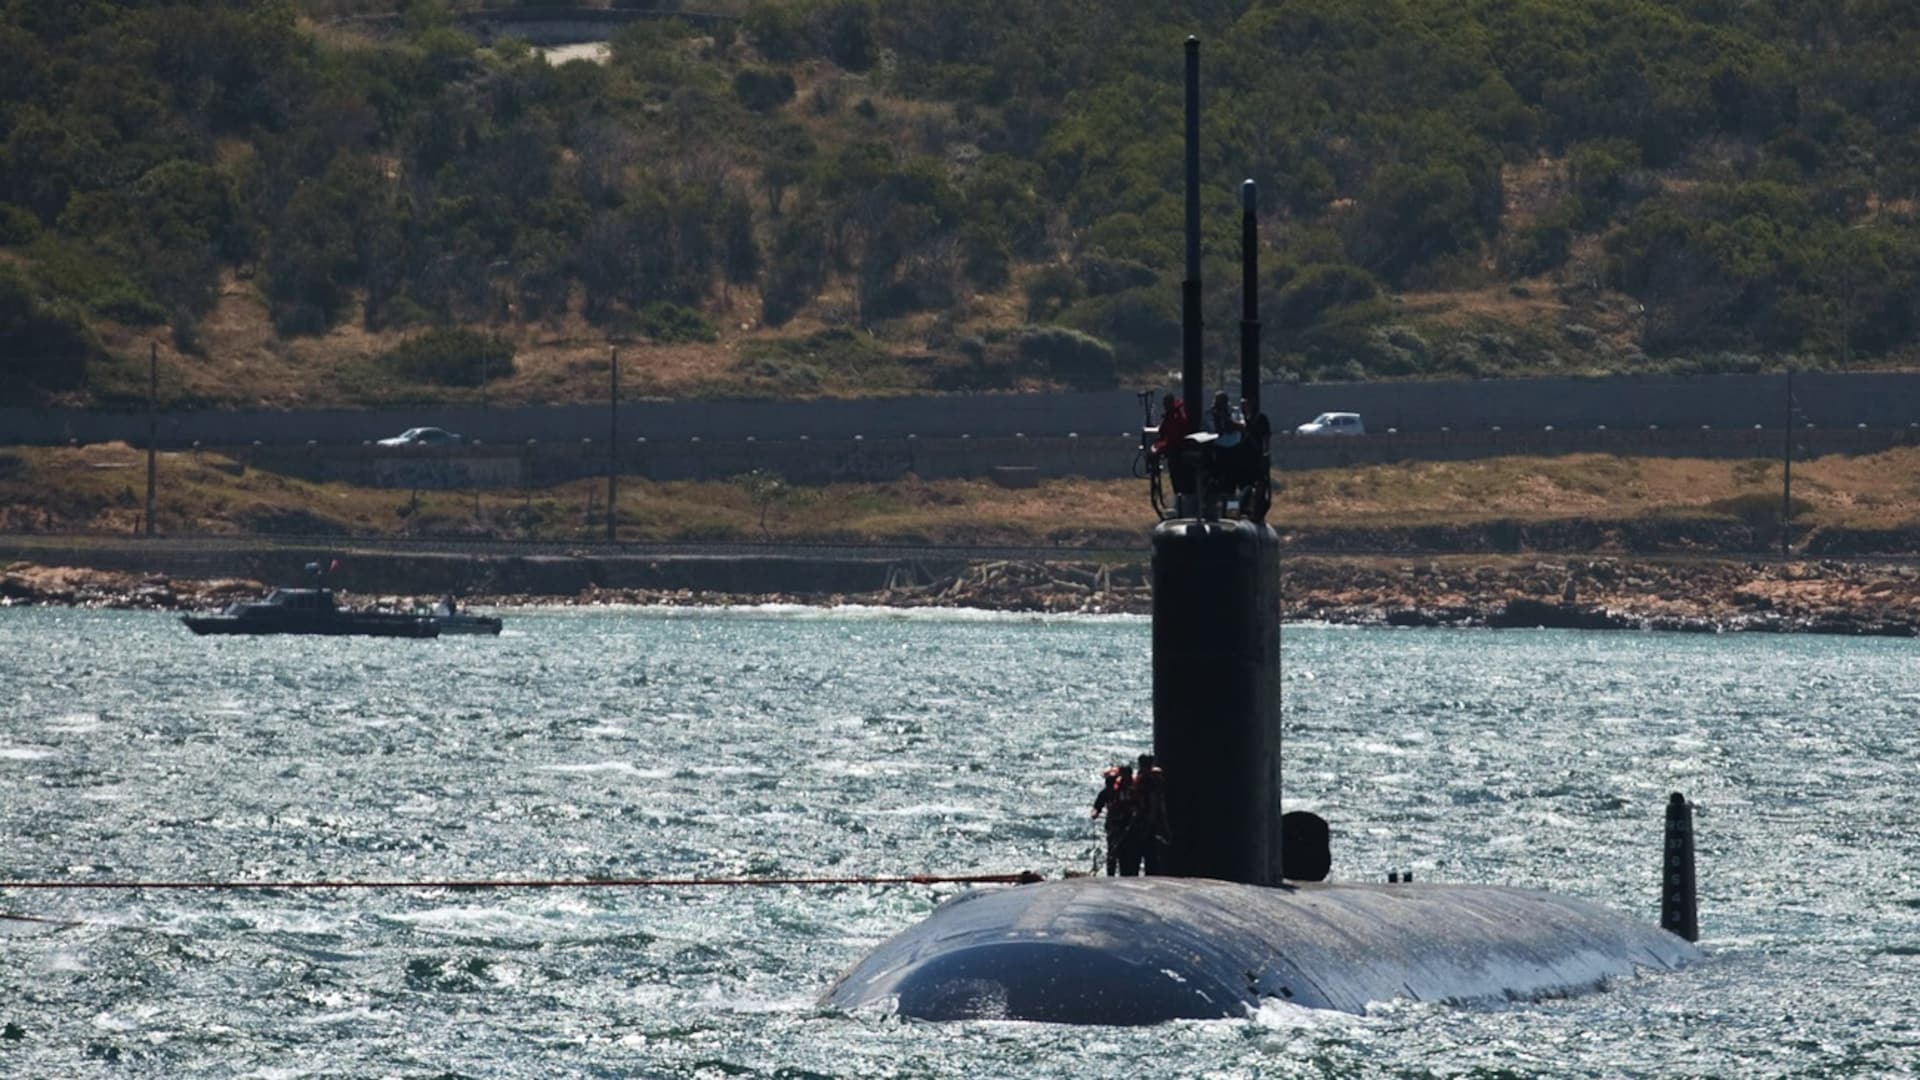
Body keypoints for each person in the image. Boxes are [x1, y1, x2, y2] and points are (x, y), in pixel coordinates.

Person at [1090, 763, 1135, 877]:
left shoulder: (1131, 790)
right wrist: (1094, 813)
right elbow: (1097, 806)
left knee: (1125, 853)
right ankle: (1111, 874)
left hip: (1128, 824)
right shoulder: (1106, 792)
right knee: (1112, 851)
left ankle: (1126, 873)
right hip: (1113, 824)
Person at [1133, 753, 1170, 875]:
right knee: (1146, 852)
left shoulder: (1149, 780)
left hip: (1145, 820)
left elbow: (1155, 802)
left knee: (1148, 852)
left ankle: (1148, 872)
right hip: (1143, 820)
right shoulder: (1145, 779)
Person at [1151, 394, 1194, 495]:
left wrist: (1162, 447)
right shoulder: (1170, 416)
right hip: (1173, 451)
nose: (1165, 406)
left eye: (1167, 404)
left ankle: (1181, 496)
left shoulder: (1176, 416)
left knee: (1179, 478)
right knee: (1175, 477)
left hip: (1178, 452)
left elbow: (1174, 436)